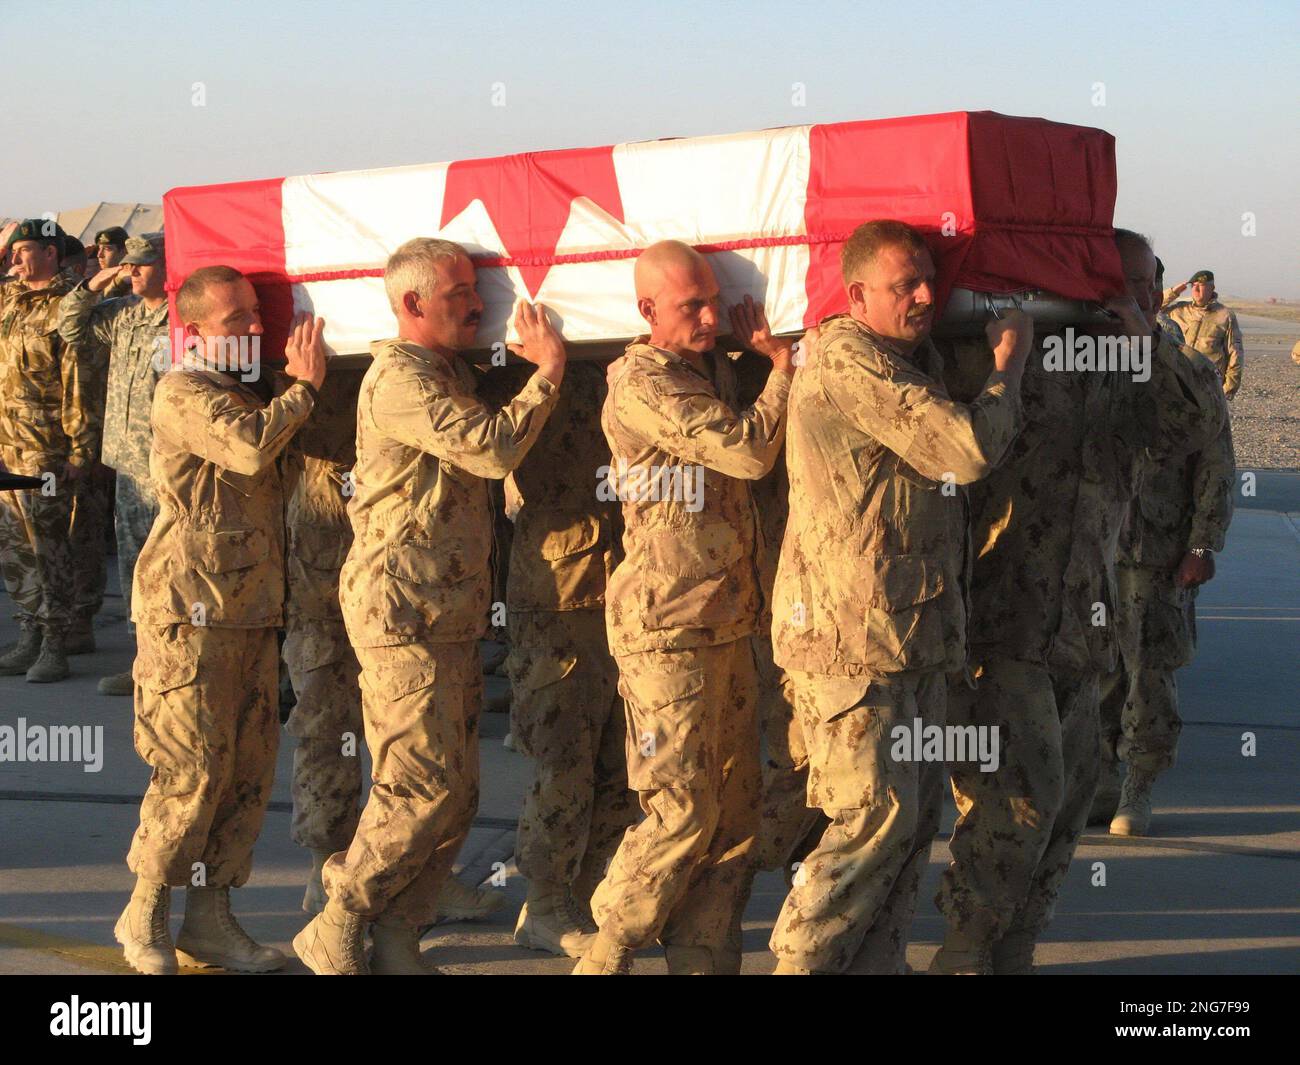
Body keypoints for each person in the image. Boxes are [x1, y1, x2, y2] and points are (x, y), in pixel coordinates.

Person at [930, 229, 1226, 974]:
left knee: (1065, 810)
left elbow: (1194, 427)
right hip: (1005, 621)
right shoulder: (1028, 352)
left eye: (1151, 285)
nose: (1143, 297)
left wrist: (1146, 344)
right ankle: (965, 950)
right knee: (1017, 803)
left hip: (1085, 629)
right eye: (1125, 282)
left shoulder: (1140, 371)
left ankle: (1015, 948)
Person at [294, 237, 565, 975]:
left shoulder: (447, 369)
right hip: (401, 613)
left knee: (455, 791)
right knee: (418, 784)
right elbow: (492, 450)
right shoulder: (401, 378)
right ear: (412, 304)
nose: (478, 306)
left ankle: (397, 935)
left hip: (445, 611)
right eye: (459, 296)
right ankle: (339, 915)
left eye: (479, 292)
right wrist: (547, 371)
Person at [767, 220, 1030, 975]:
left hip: (908, 635)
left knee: (912, 824)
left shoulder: (908, 356)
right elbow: (967, 448)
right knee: (869, 823)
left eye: (928, 280)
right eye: (902, 285)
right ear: (855, 295)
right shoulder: (848, 357)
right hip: (852, 645)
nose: (924, 296)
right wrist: (1006, 364)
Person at [575, 240, 793, 975]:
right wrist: (786, 371)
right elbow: (747, 453)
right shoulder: (643, 382)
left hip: (726, 617)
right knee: (679, 809)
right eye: (689, 305)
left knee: (734, 811)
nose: (709, 315)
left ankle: (704, 955)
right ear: (646, 312)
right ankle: (606, 953)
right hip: (665, 627)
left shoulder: (710, 368)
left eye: (711, 298)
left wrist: (757, 356)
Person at [116, 265, 326, 975]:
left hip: (252, 610)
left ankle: (210, 919)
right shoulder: (184, 391)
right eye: (237, 319)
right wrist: (304, 388)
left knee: (243, 772)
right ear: (195, 329)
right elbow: (247, 445)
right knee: (189, 769)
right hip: (188, 611)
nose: (255, 328)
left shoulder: (251, 391)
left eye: (256, 316)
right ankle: (144, 913)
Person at [474, 357, 637, 958]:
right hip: (558, 597)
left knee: (622, 763)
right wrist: (545, 365)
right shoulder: (526, 366)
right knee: (563, 761)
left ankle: (593, 894)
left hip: (629, 589)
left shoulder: (634, 357)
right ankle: (544, 903)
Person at [57, 233, 170, 694]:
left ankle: (174, 661)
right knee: (134, 567)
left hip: (166, 465)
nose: (134, 271)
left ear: (166, 267)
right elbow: (70, 328)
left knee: (170, 567)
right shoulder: (122, 315)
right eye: (130, 265)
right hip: (126, 461)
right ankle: (143, 660)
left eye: (143, 264)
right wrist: (92, 284)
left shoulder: (180, 320)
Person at [0, 220, 89, 683]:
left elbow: (79, 380)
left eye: (25, 250)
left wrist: (79, 449)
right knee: (15, 543)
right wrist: (3, 245)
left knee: (48, 544)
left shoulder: (68, 304)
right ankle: (29, 631)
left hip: (47, 446)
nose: (16, 259)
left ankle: (56, 642)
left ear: (52, 253)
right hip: (7, 443)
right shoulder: (10, 299)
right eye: (12, 252)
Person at [1161, 270, 1244, 398]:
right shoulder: (1178, 311)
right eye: (1193, 286)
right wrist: (1174, 292)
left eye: (1202, 285)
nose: (1197, 289)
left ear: (1212, 288)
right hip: (1178, 381)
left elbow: (1235, 354)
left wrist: (1228, 389)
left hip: (1209, 384)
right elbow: (1153, 306)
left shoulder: (1225, 316)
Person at [94, 227, 133, 299]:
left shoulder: (133, 279)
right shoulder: (100, 280)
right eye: (99, 249)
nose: (99, 255)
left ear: (124, 251)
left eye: (107, 249)